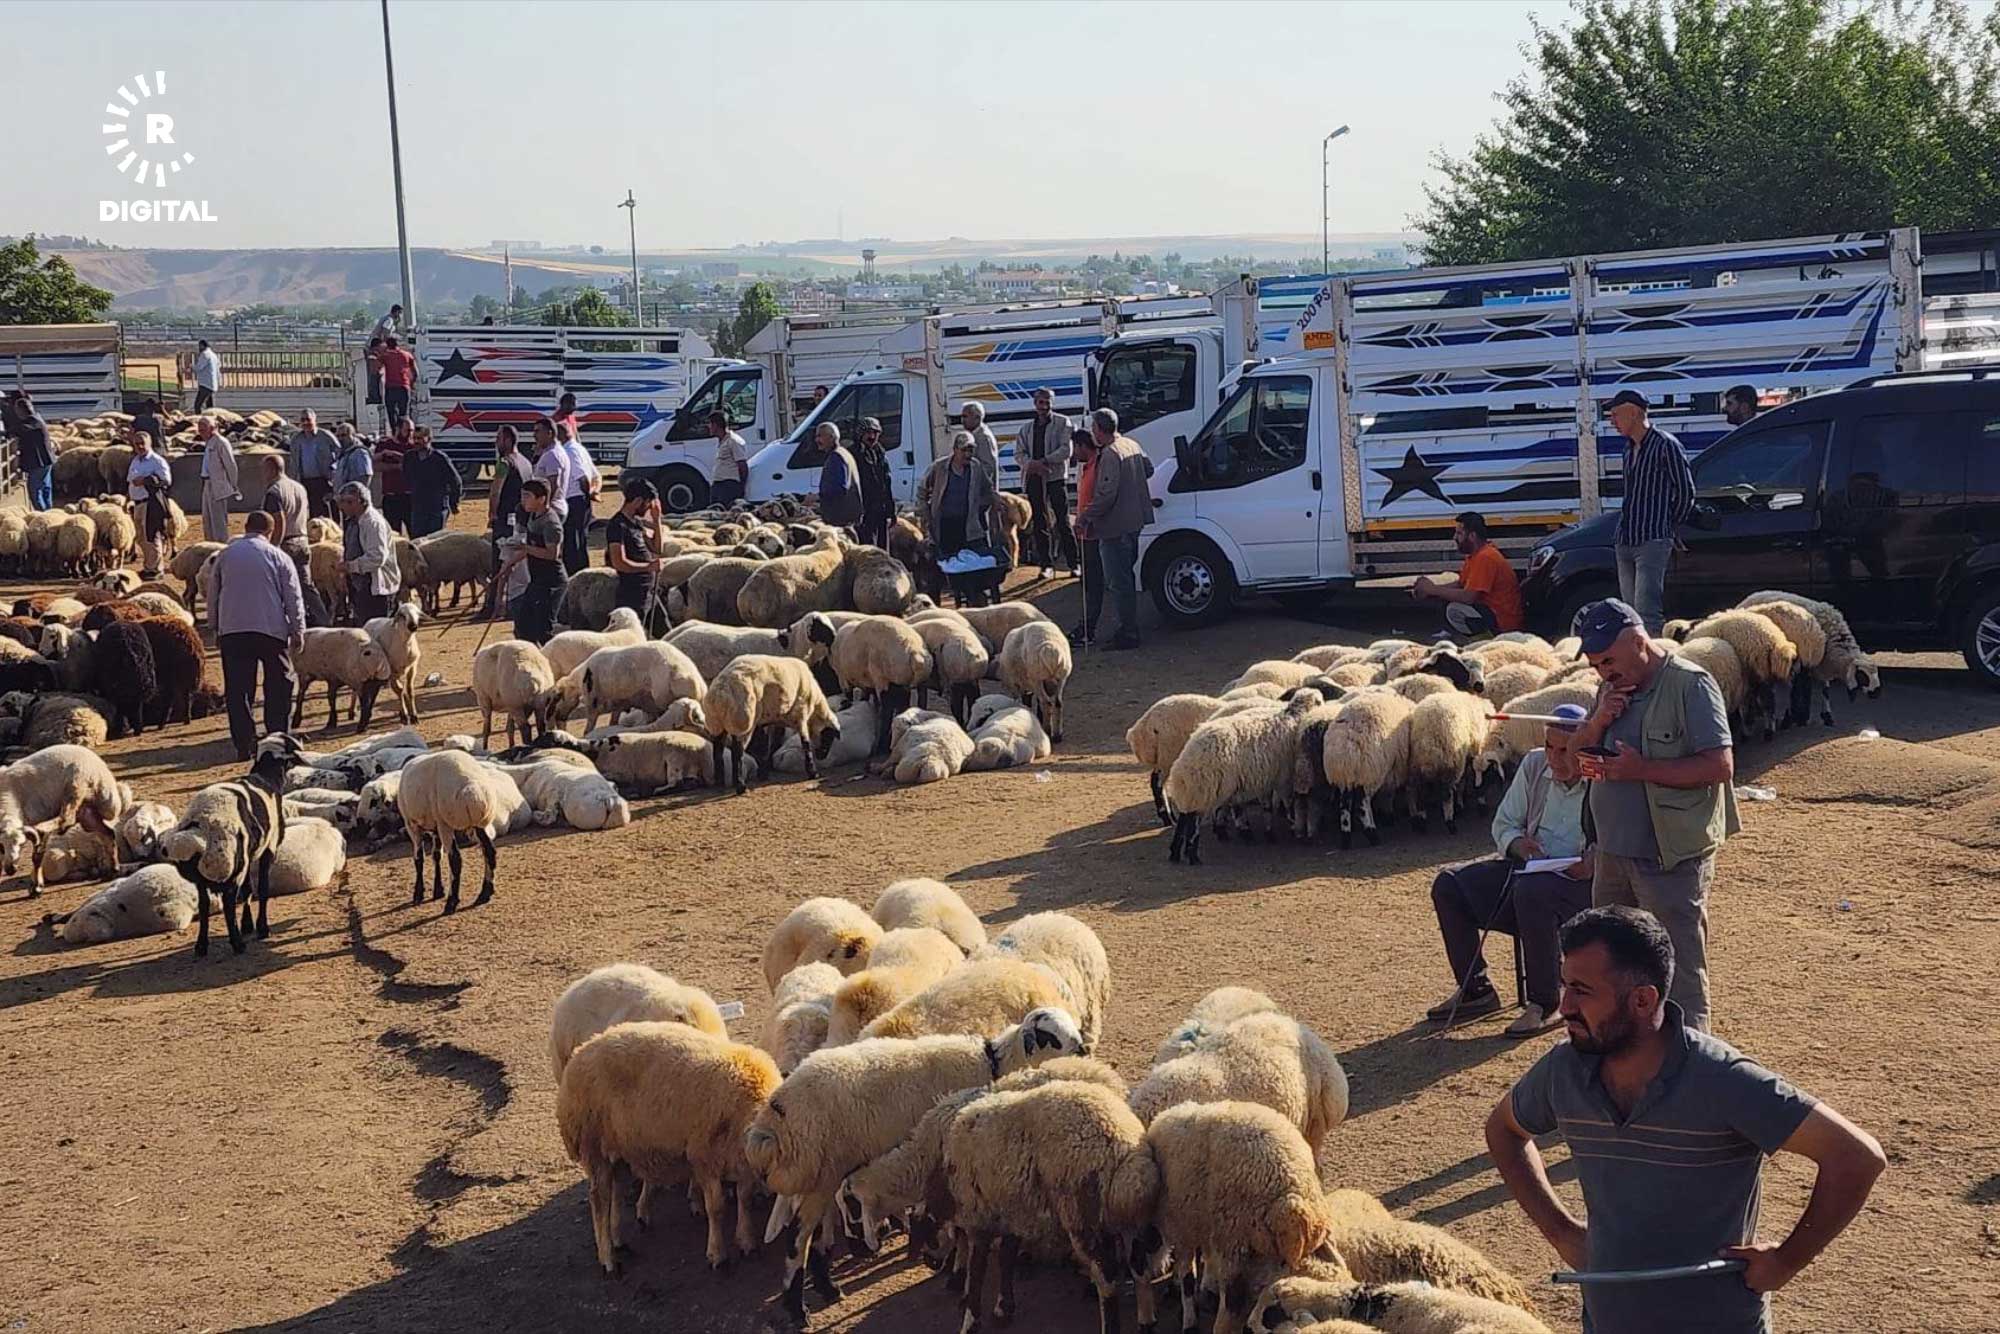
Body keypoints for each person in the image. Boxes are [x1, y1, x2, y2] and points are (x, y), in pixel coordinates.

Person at [1485, 906, 1886, 1334]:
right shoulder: (1563, 1071)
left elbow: (1856, 1157)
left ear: (1643, 1000)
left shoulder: (1724, 1080)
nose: (1564, 1007)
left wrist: (1786, 1260)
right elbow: (1504, 1130)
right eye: (1564, 985)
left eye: (1582, 991)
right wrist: (1560, 1231)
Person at [1569, 598, 1738, 1031]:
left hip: (1670, 856)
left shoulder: (1690, 685)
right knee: (1610, 961)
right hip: (1612, 853)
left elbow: (1719, 766)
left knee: (1678, 970)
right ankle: (1621, 1049)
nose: (1602, 670)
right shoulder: (1608, 689)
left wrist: (1641, 769)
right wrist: (1597, 724)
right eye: (1594, 662)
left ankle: (1690, 1064)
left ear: (1638, 641)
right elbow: (1569, 761)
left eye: (1608, 658)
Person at [1427, 703, 1595, 1036]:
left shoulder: (1598, 776)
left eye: (1565, 750)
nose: (1555, 757)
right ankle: (1476, 989)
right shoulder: (1534, 765)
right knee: (1449, 884)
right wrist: (1518, 844)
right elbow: (1505, 823)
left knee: (1534, 892)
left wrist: (1592, 862)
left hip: (1580, 883)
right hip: (1529, 870)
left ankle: (1546, 1003)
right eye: (1550, 746)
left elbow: (1617, 840)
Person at [209, 510, 306, 760]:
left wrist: (215, 625)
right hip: (270, 628)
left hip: (233, 628)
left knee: (239, 687)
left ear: (246, 527)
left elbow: (213, 591)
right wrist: (298, 629)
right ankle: (277, 737)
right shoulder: (278, 556)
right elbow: (293, 596)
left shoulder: (226, 554)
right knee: (279, 683)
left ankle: (244, 743)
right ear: (270, 531)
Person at [1605, 389, 1694, 635]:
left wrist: (1668, 526)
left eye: (1615, 414)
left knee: (1647, 611)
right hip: (1625, 538)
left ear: (1633, 412)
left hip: (1652, 539)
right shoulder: (1627, 449)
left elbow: (1686, 491)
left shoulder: (1666, 444)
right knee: (1629, 615)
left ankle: (1652, 664)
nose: (1611, 421)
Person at [1073, 407, 1153, 651]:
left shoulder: (1110, 454)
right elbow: (1148, 469)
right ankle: (1127, 628)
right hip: (1135, 521)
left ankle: (1127, 632)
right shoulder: (1132, 444)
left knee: (1119, 582)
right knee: (1125, 577)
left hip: (1115, 527)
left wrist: (1084, 517)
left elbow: (1106, 494)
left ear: (1098, 429)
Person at [917, 430, 1002, 604]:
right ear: (955, 450)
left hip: (968, 524)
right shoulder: (939, 467)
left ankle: (973, 598)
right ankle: (936, 605)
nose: (968, 455)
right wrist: (926, 514)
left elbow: (987, 489)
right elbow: (922, 491)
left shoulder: (976, 467)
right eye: (964, 450)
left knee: (970, 565)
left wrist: (990, 503)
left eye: (971, 451)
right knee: (939, 567)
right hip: (945, 525)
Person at [1413, 510, 1524, 638]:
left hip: (1502, 621)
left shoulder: (1486, 557)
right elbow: (1461, 584)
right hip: (1492, 613)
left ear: (1472, 536)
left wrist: (1432, 589)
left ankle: (1486, 639)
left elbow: (1468, 597)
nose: (1455, 537)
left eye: (1459, 533)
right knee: (1447, 599)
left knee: (1455, 610)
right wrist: (1430, 590)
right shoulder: (1476, 555)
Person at [258, 455, 328, 627]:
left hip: (285, 543)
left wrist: (273, 547)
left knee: (280, 586)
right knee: (306, 585)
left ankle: (282, 622)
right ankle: (322, 620)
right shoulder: (299, 487)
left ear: (271, 469)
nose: (262, 474)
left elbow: (278, 521)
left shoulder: (274, 491)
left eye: (264, 469)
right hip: (302, 540)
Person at [1017, 387, 1077, 578]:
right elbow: (1018, 454)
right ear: (1035, 404)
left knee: (1062, 520)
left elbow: (1066, 450)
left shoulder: (1063, 422)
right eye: (1040, 402)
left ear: (1052, 402)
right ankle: (1046, 565)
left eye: (1047, 402)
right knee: (1039, 521)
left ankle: (1074, 563)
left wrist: (1045, 461)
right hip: (1034, 478)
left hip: (1055, 477)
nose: (1044, 406)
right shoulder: (1026, 428)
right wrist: (1031, 465)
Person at [497, 478, 566, 644]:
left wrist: (525, 548)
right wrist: (510, 563)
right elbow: (530, 546)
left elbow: (552, 554)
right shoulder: (533, 516)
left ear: (541, 499)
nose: (523, 500)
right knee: (523, 626)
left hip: (551, 582)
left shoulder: (551, 523)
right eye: (522, 496)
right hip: (537, 580)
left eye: (527, 496)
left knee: (544, 630)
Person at [484, 425, 533, 617]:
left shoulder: (504, 463)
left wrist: (492, 514)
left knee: (500, 562)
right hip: (521, 518)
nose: (496, 442)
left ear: (507, 440)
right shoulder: (526, 462)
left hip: (505, 518)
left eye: (499, 438)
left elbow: (496, 490)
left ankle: (494, 606)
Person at [336, 481, 401, 624]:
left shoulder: (373, 523)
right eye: (342, 502)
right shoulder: (353, 522)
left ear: (359, 501)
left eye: (347, 502)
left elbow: (377, 557)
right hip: (362, 586)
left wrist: (350, 566)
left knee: (377, 635)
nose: (343, 506)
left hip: (377, 590)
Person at [604, 479, 664, 626]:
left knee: (667, 634)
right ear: (638, 501)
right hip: (632, 594)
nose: (650, 507)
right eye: (648, 502)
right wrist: (648, 567)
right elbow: (619, 562)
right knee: (633, 640)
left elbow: (657, 549)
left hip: (648, 591)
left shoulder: (636, 523)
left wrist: (657, 521)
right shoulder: (617, 526)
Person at [1068, 427, 1104, 646]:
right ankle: (1086, 625)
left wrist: (1085, 520)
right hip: (1085, 532)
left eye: (1075, 447)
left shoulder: (1098, 467)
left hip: (1094, 533)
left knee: (1093, 584)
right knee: (1088, 583)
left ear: (1082, 446)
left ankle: (1088, 629)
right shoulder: (1086, 468)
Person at [126, 426, 174, 577]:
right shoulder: (136, 461)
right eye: (137, 443)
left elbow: (167, 480)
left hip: (151, 502)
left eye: (142, 443)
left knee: (152, 535)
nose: (139, 446)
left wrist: (147, 480)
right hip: (138, 503)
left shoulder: (157, 461)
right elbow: (131, 482)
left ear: (149, 444)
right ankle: (148, 566)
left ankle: (156, 569)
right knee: (141, 536)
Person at [556, 417, 599, 574]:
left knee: (572, 544)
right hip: (582, 500)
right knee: (580, 541)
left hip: (574, 500)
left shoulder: (569, 452)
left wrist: (586, 492)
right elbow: (596, 475)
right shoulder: (580, 449)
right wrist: (593, 492)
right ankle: (582, 572)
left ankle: (575, 575)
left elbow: (583, 478)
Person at [403, 427, 463, 538]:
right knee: (417, 541)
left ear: (429, 439)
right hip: (418, 508)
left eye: (420, 438)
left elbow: (456, 481)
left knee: (435, 541)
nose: (416, 441)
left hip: (437, 507)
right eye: (414, 438)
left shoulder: (440, 458)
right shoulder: (409, 458)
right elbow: (406, 478)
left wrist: (454, 503)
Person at [4, 392, 55, 511]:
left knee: (35, 489)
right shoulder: (37, 418)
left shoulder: (32, 423)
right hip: (46, 459)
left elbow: (19, 430)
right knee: (45, 487)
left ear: (22, 411)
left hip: (39, 462)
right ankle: (49, 510)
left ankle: (42, 513)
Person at [197, 415, 240, 543]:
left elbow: (231, 465)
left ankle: (221, 547)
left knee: (218, 521)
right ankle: (210, 545)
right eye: (200, 430)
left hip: (218, 484)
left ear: (213, 428)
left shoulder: (221, 442)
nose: (201, 433)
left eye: (204, 430)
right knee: (208, 519)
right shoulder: (208, 443)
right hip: (207, 483)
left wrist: (233, 484)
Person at [853, 416, 894, 548]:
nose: (872, 436)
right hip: (865, 509)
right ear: (861, 434)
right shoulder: (854, 454)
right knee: (868, 547)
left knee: (883, 547)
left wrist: (891, 511)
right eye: (868, 433)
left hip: (881, 508)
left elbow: (886, 482)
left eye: (875, 433)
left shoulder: (880, 453)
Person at [813, 422, 863, 529]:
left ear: (831, 437)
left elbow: (839, 487)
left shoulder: (836, 456)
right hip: (848, 517)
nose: (816, 440)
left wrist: (817, 497)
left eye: (820, 436)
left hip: (840, 519)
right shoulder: (843, 453)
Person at [291, 409, 338, 519]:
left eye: (308, 419)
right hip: (306, 480)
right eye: (303, 420)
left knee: (328, 508)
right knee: (313, 510)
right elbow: (293, 461)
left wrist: (334, 467)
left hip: (325, 479)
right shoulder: (296, 439)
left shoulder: (325, 436)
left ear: (314, 420)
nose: (306, 423)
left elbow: (339, 451)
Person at [374, 418, 411, 534]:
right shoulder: (385, 445)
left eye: (411, 431)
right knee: (393, 534)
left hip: (409, 497)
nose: (410, 434)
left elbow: (411, 464)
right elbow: (375, 465)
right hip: (391, 497)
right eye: (407, 430)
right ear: (398, 429)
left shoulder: (412, 446)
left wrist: (396, 456)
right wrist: (386, 456)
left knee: (415, 532)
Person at [708, 410, 749, 509]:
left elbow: (742, 465)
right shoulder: (722, 441)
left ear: (716, 425)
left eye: (710, 424)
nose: (708, 427)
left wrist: (740, 487)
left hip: (728, 487)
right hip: (718, 486)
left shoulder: (733, 441)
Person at [377, 334, 417, 429]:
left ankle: (395, 433)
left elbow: (377, 369)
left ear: (387, 345)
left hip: (390, 387)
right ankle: (405, 434)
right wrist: (411, 384)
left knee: (391, 413)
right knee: (404, 413)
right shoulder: (407, 355)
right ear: (397, 344)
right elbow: (415, 373)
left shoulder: (385, 356)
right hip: (404, 387)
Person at [957, 401, 1000, 479]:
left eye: (965, 416)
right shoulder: (973, 435)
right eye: (962, 417)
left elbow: (988, 467)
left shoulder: (983, 438)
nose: (962, 420)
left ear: (977, 418)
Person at [331, 422, 374, 495]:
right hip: (343, 498)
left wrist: (359, 495)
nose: (340, 439)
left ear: (353, 436)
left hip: (354, 498)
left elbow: (366, 476)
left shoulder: (360, 452)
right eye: (338, 436)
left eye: (344, 435)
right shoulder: (343, 454)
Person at [192, 339, 222, 412]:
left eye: (199, 346)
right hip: (212, 384)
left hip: (205, 384)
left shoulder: (205, 354)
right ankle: (211, 418)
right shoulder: (214, 355)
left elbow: (199, 367)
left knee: (198, 405)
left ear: (202, 346)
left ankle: (199, 419)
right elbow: (219, 366)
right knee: (210, 406)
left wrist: (192, 367)